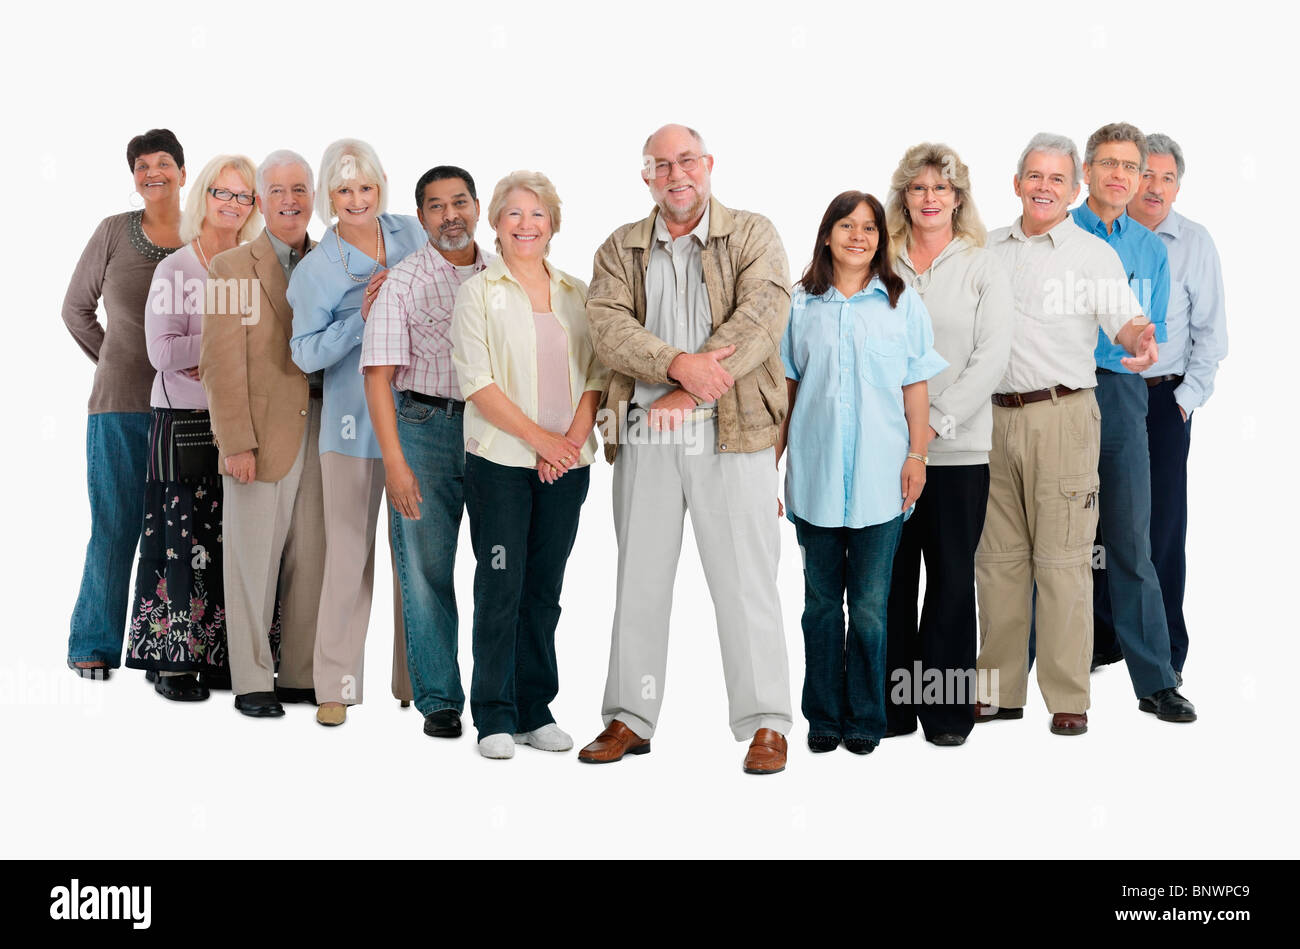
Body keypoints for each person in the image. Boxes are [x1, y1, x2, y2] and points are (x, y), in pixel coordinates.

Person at [579, 124, 794, 775]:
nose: (677, 174)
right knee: (638, 579)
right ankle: (629, 716)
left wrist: (692, 394)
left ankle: (766, 723)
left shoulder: (753, 233)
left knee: (746, 581)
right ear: (646, 175)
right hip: (645, 432)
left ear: (709, 165)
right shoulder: (621, 246)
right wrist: (677, 366)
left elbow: (760, 321)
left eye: (688, 161)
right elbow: (607, 326)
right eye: (662, 164)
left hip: (733, 433)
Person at [975, 133, 1159, 736]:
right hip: (993, 418)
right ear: (1017, 183)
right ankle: (1000, 690)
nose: (1045, 188)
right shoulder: (987, 250)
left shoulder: (1090, 255)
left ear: (1074, 189)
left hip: (1063, 416)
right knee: (997, 559)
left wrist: (1140, 341)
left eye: (1057, 179)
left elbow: (1126, 320)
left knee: (1062, 560)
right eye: (1035, 176)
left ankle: (1067, 695)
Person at [778, 191, 947, 755]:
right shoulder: (799, 305)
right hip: (815, 480)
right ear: (827, 234)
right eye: (847, 225)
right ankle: (823, 717)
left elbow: (915, 385)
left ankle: (866, 719)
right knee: (821, 607)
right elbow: (788, 390)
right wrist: (769, 470)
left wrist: (917, 456)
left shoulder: (903, 304)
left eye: (870, 228)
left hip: (882, 484)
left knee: (872, 611)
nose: (859, 236)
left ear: (881, 239)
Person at [449, 171, 604, 759]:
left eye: (537, 214)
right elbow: (477, 382)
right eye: (513, 214)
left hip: (569, 463)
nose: (525, 224)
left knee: (544, 589)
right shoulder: (478, 293)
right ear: (496, 223)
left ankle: (535, 709)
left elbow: (597, 375)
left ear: (553, 224)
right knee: (500, 583)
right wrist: (541, 442)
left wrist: (567, 446)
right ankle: (493, 714)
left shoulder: (576, 292)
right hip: (502, 464)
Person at [288, 139, 427, 726]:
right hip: (350, 427)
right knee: (349, 557)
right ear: (328, 196)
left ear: (380, 188)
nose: (356, 199)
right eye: (343, 190)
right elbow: (303, 355)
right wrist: (358, 319)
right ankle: (336, 687)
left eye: (365, 188)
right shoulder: (318, 269)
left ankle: (417, 681)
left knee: (418, 560)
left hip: (419, 419)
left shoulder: (409, 234)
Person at [882, 144, 1013, 746]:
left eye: (942, 188)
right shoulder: (879, 260)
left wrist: (931, 422)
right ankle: (892, 710)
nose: (930, 198)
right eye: (918, 188)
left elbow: (992, 358)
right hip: (887, 451)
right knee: (892, 579)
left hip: (957, 452)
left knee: (954, 580)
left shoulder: (983, 264)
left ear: (958, 198)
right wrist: (903, 433)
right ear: (903, 198)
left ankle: (944, 712)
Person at [123, 154, 263, 699]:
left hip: (241, 423)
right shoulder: (175, 269)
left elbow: (266, 350)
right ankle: (174, 662)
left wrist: (214, 356)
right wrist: (228, 348)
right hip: (181, 422)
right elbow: (162, 353)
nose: (231, 204)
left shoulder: (254, 266)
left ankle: (222, 657)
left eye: (242, 196)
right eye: (222, 193)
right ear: (203, 195)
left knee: (230, 541)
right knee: (180, 542)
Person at [361, 166, 492, 741]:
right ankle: (439, 699)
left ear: (478, 206)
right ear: (420, 218)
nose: (450, 215)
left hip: (496, 433)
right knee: (426, 568)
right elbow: (377, 376)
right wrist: (395, 462)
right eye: (436, 207)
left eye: (459, 202)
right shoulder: (405, 281)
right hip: (424, 429)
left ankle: (499, 698)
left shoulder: (507, 272)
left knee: (499, 569)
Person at [1071, 122, 1195, 724]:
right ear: (1087, 171)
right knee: (1053, 542)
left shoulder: (1150, 249)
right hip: (1060, 392)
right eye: (1109, 164)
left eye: (1132, 166)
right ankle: (1041, 668)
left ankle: (1156, 680)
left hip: (1123, 393)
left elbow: (1151, 335)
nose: (1122, 176)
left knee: (1131, 538)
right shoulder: (1058, 232)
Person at [199, 149, 326, 717]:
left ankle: (299, 673)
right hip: (259, 435)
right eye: (277, 190)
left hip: (328, 430)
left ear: (313, 198)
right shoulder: (231, 269)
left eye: (300, 189)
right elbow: (219, 366)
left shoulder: (335, 262)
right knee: (253, 559)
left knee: (314, 555)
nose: (290, 201)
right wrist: (236, 443)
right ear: (261, 200)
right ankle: (252, 680)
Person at [65, 129, 185, 679]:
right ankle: (93, 642)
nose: (152, 172)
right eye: (141, 165)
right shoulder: (113, 232)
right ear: (133, 177)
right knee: (114, 526)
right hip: (119, 407)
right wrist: (113, 360)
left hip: (187, 411)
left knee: (176, 533)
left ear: (183, 173)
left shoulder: (206, 237)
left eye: (163, 162)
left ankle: (166, 647)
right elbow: (75, 310)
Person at [1126, 133, 1228, 682]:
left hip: (1164, 400)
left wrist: (1184, 403)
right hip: (1102, 395)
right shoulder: (1101, 237)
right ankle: (1104, 640)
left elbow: (1213, 335)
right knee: (1099, 525)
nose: (1157, 187)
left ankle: (1165, 652)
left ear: (1178, 186)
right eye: (1148, 175)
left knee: (1161, 526)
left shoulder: (1193, 242)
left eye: (1168, 178)